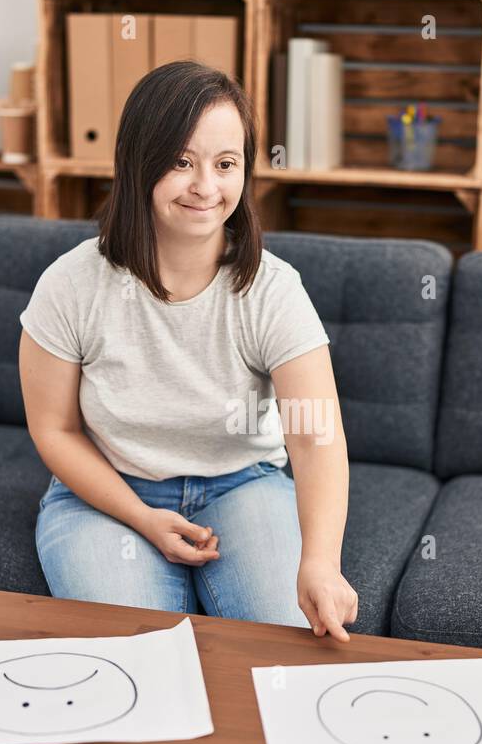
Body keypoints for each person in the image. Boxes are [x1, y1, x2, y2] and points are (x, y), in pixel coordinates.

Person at [18, 60, 357, 641]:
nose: (206, 186)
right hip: (109, 493)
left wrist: (321, 561)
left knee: (287, 640)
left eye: (226, 164)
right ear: (139, 163)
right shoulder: (71, 284)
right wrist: (142, 517)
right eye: (181, 162)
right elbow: (56, 429)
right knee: (135, 652)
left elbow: (314, 434)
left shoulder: (272, 289)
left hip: (243, 484)